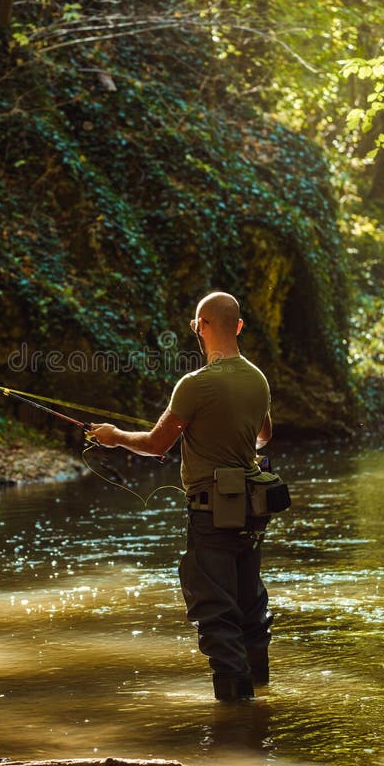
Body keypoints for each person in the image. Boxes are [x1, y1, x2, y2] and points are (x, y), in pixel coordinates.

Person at [90, 291, 273, 702]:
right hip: (253, 511)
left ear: (202, 327)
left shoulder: (195, 385)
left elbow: (157, 445)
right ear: (239, 326)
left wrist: (114, 436)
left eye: (196, 325)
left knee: (216, 612)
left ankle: (235, 720)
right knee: (251, 608)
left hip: (212, 515)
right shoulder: (258, 378)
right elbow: (264, 437)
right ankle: (261, 700)